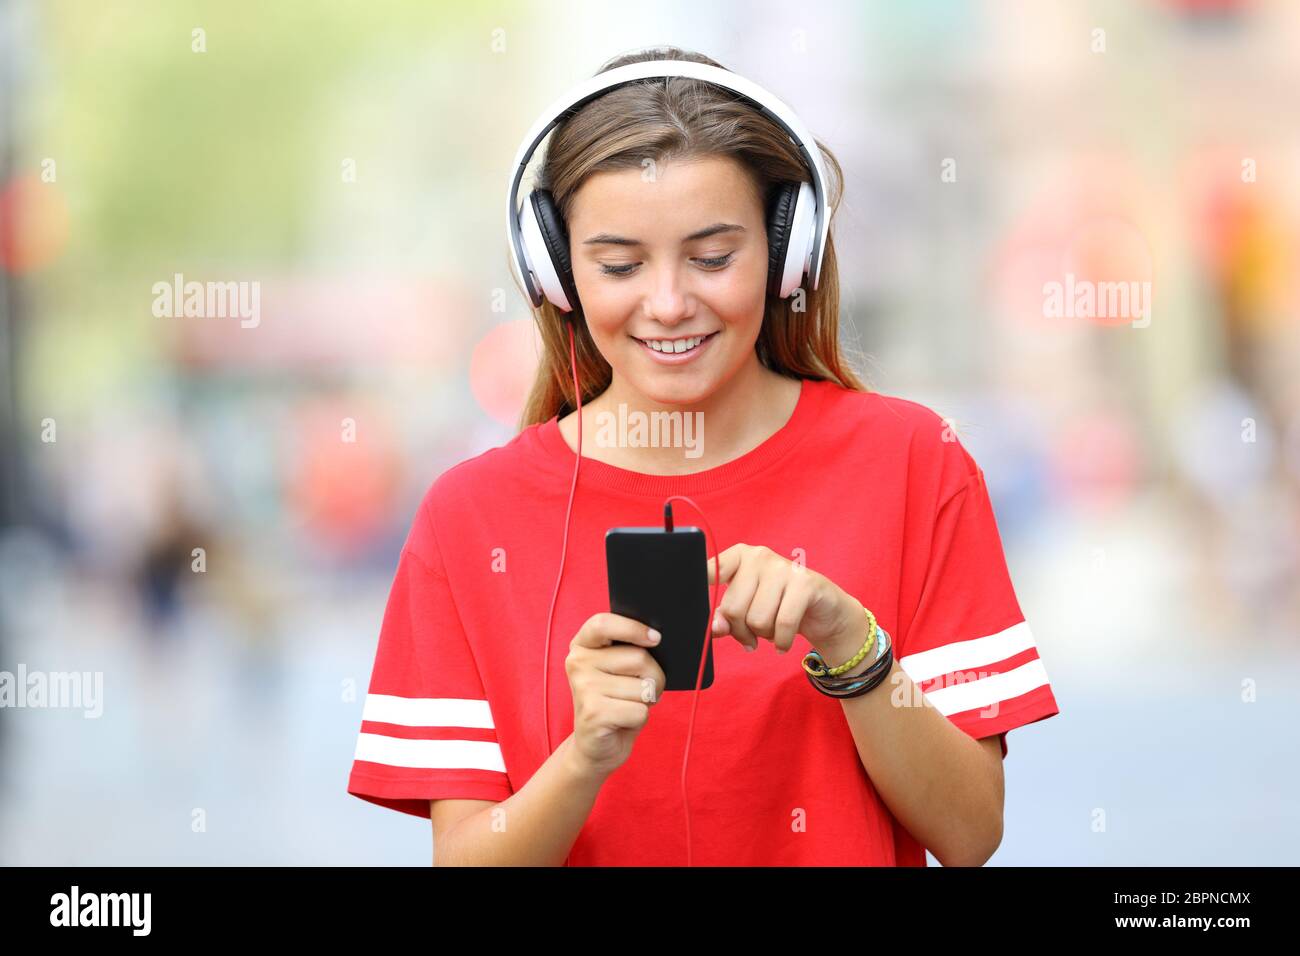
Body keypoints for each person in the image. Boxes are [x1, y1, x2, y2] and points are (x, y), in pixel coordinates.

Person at [346, 45, 1060, 866]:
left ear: (789, 251)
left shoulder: (911, 461)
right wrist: (585, 756)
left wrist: (851, 641)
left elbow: (971, 834)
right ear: (555, 273)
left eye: (714, 258)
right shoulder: (471, 516)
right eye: (619, 265)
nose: (669, 303)